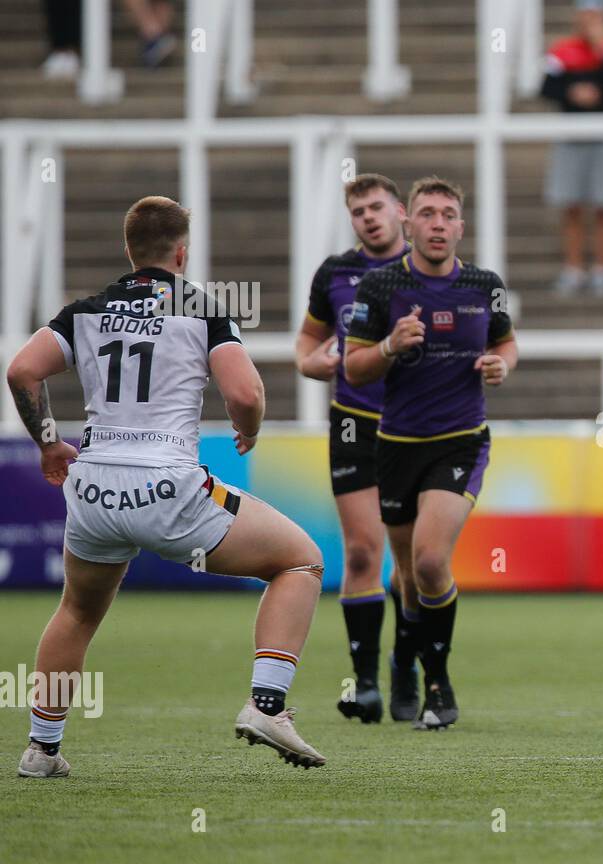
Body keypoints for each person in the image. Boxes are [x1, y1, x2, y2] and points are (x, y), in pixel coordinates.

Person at [7, 196, 327, 777]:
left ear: (128, 250)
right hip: (168, 487)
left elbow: (21, 370)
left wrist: (50, 441)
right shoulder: (201, 308)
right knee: (300, 562)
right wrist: (247, 431)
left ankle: (40, 749)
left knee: (77, 611)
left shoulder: (86, 310)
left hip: (94, 488)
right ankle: (267, 707)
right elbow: (247, 394)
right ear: (182, 251)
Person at [344, 177, 518, 730]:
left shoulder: (484, 285)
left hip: (460, 441)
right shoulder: (380, 285)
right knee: (406, 578)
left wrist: (502, 365)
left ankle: (439, 686)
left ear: (460, 226)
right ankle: (403, 665)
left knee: (428, 561)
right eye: (428, 214)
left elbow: (505, 342)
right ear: (407, 222)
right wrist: (391, 345)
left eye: (448, 214)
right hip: (395, 446)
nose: (438, 223)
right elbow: (353, 367)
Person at [296, 173, 418, 725]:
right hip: (353, 421)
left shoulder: (428, 272)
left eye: (376, 207)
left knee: (414, 565)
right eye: (358, 211)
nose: (368, 217)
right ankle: (365, 683)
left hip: (416, 424)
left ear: (399, 212)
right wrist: (311, 362)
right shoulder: (335, 273)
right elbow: (306, 343)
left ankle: (408, 671)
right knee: (364, 552)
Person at [540, 0, 603, 297]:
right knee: (571, 205)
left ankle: (602, 270)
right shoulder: (561, 49)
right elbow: (547, 87)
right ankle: (573, 268)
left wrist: (599, 47)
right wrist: (573, 92)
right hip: (570, 135)